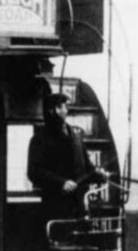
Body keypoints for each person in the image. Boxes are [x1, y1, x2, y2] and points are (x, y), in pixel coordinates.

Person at [27, 92, 107, 224]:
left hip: (79, 205)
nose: (66, 110)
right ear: (53, 110)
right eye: (62, 106)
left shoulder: (76, 137)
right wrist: (61, 183)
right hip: (55, 205)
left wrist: (100, 176)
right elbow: (34, 171)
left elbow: (87, 168)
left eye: (65, 106)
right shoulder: (39, 139)